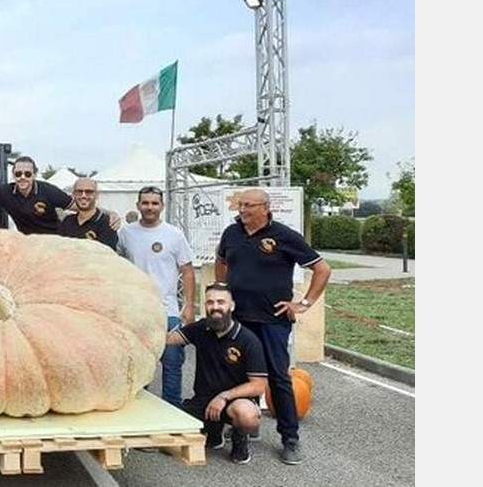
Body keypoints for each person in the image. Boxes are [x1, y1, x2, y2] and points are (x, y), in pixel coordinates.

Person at [214, 187, 332, 466]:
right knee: (237, 375)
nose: (242, 210)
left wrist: (303, 303)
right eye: (240, 205)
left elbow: (323, 269)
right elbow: (221, 261)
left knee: (278, 378)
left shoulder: (284, 236)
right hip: (239, 320)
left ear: (265, 208)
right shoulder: (231, 233)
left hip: (273, 321)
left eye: (248, 206)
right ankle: (243, 429)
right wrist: (222, 291)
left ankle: (290, 439)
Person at [167, 282, 268, 465]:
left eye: (221, 302)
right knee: (170, 435)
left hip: (233, 401)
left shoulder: (248, 340)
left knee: (246, 414)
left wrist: (224, 396)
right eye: (210, 302)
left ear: (232, 306)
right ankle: (213, 432)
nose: (215, 307)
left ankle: (239, 439)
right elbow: (169, 339)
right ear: (205, 306)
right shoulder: (200, 328)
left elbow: (259, 385)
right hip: (203, 401)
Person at [117, 186, 196, 408]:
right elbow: (117, 265)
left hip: (167, 311)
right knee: (137, 364)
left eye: (154, 203)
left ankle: (173, 412)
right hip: (135, 312)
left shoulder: (174, 234)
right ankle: (139, 412)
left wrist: (189, 306)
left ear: (161, 206)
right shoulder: (125, 233)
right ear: (138, 205)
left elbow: (187, 270)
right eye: (145, 203)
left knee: (172, 363)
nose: (149, 207)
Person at [0, 156, 75, 235]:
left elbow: (76, 206)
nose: (22, 177)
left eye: (27, 174)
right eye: (18, 174)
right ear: (13, 175)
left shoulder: (49, 190)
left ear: (34, 175)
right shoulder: (5, 192)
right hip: (27, 243)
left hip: (52, 239)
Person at [56, 177, 117, 249]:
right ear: (73, 194)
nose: (83, 195)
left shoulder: (107, 223)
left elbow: (105, 255)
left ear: (96, 195)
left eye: (89, 192)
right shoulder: (67, 221)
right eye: (79, 192)